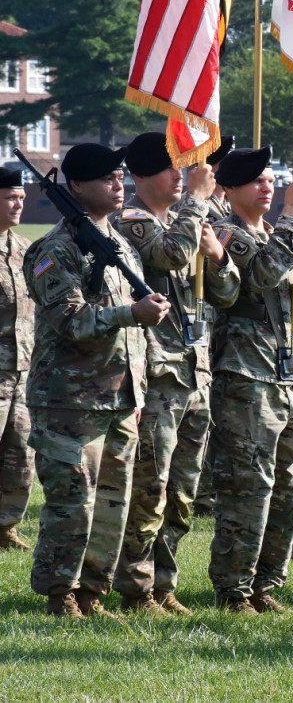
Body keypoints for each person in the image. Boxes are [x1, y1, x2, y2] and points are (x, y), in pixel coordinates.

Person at [24, 143, 171, 618]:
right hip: (69, 400)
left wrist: (140, 387)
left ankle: (92, 592)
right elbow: (69, 319)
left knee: (112, 505)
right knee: (72, 505)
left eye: (121, 175)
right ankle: (60, 594)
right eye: (107, 177)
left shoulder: (120, 242)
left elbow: (131, 333)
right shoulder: (54, 249)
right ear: (77, 186)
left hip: (120, 396)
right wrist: (133, 313)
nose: (119, 184)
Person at [112, 132, 241, 615]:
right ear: (142, 176)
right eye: (172, 167)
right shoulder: (133, 221)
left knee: (183, 492)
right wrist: (198, 203)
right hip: (157, 375)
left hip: (194, 371)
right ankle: (136, 586)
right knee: (152, 486)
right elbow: (167, 256)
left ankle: (164, 582)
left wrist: (218, 254)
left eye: (184, 167)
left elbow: (225, 294)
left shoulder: (191, 222)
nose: (181, 175)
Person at [207, 146, 293, 614]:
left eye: (270, 178)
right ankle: (234, 588)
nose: (268, 185)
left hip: (287, 373)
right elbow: (255, 280)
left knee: (288, 486)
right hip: (246, 375)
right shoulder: (227, 233)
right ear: (231, 189)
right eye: (255, 180)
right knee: (247, 487)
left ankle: (265, 584)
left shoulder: (281, 235)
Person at [0, 167, 34, 552]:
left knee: (21, 456)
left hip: (24, 371)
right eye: (11, 197)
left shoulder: (25, 249)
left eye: (22, 198)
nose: (18, 204)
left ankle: (5, 526)